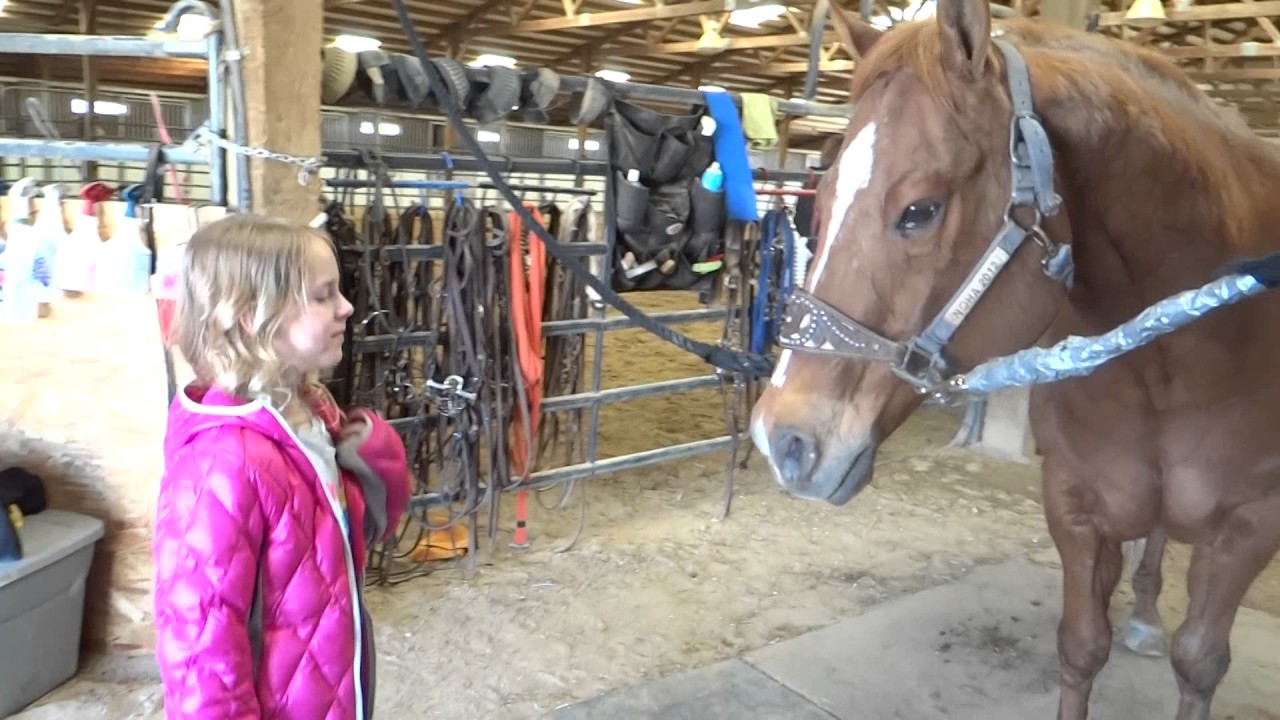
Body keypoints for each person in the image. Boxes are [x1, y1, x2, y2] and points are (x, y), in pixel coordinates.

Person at [152, 213, 411, 719]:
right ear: (253, 317)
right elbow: (200, 653)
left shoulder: (306, 415)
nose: (346, 307)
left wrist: (377, 463)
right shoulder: (220, 465)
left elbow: (347, 543)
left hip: (324, 691)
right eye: (322, 295)